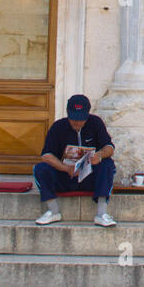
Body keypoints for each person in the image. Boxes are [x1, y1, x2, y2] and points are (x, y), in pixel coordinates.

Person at [33, 94, 117, 226]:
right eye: (73, 119)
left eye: (81, 119)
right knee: (40, 169)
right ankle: (53, 211)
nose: (77, 123)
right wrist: (66, 168)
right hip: (66, 176)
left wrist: (99, 155)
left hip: (90, 177)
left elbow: (110, 147)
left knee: (107, 164)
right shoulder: (58, 127)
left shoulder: (96, 123)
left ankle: (101, 214)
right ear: (68, 114)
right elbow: (46, 155)